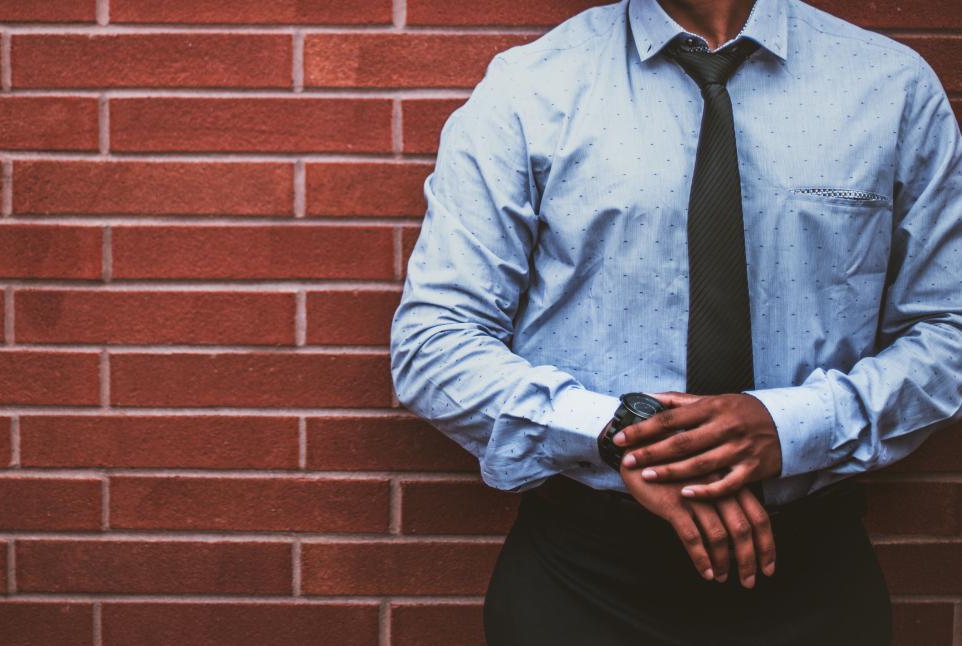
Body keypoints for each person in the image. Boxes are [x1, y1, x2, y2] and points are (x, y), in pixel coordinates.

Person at [389, 0, 962, 643]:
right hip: (583, 583)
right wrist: (620, 433)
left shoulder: (890, 87)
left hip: (813, 581)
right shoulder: (531, 88)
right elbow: (432, 342)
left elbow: (950, 329)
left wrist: (794, 425)